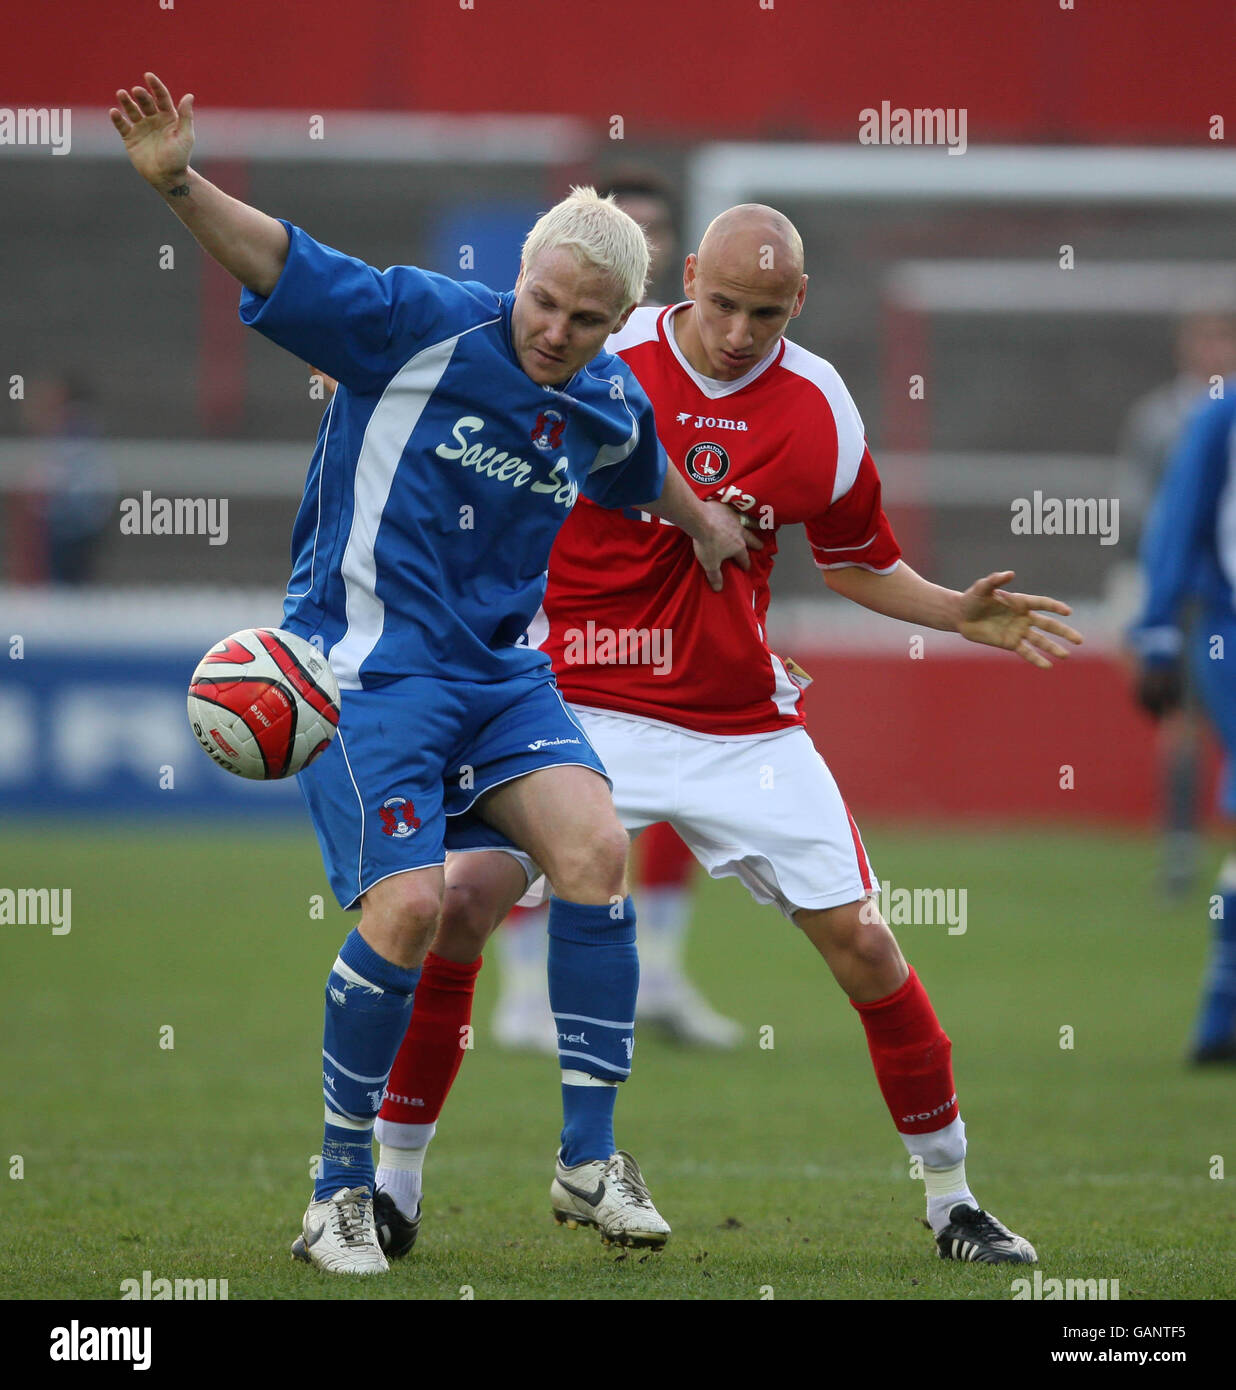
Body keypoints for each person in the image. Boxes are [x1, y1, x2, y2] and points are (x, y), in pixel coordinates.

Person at [109, 72, 753, 1271]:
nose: (554, 331)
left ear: (619, 324)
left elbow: (637, 465)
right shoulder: (417, 322)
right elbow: (284, 262)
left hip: (504, 676)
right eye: (544, 302)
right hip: (365, 671)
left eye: (585, 319)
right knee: (409, 907)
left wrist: (702, 520)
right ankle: (337, 1192)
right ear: (520, 275)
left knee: (596, 852)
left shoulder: (604, 398)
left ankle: (588, 1158)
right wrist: (182, 184)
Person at [372, 203, 1083, 1264]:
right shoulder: (606, 351)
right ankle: (391, 1188)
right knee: (462, 906)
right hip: (571, 703)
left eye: (764, 312)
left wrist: (952, 611)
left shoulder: (821, 406)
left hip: (737, 723)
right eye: (720, 304)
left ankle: (954, 1201)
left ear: (797, 302)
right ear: (687, 277)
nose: (740, 332)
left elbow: (850, 555)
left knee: (867, 945)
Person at [492, 165, 741, 1052]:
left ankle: (662, 977)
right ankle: (523, 992)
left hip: (677, 603)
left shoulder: (709, 357)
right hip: (568, 604)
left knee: (677, 794)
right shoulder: (548, 348)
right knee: (540, 790)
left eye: (650, 232)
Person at [1128, 386, 1236, 1064]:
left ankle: (1221, 1016)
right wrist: (1159, 629)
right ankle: (1219, 1017)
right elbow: (1179, 520)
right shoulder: (1221, 418)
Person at [1119, 313, 1236, 898]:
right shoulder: (1169, 418)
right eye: (1204, 337)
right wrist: (1157, 617)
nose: (1212, 349)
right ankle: (1181, 852)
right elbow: (1152, 505)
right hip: (1188, 593)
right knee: (1178, 721)